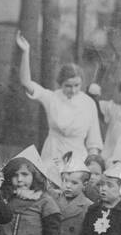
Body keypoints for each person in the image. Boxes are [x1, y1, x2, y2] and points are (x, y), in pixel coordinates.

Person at [15, 32, 102, 165]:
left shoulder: (88, 103)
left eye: (77, 85)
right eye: (68, 86)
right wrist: (26, 52)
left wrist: (93, 166)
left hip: (78, 158)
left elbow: (94, 141)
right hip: (52, 154)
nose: (73, 90)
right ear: (60, 83)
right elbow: (26, 82)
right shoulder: (52, 97)